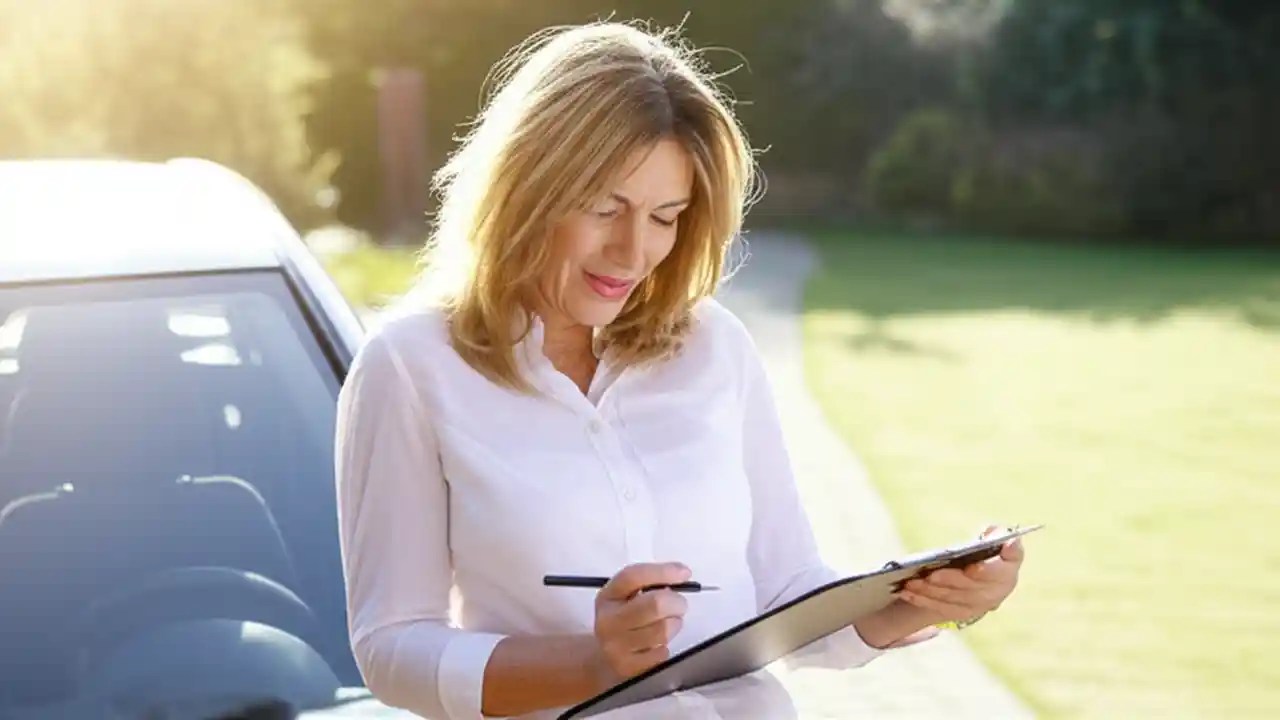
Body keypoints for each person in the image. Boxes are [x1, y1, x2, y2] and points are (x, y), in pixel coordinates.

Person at [334, 21, 1026, 720]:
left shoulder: (715, 348)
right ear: (525, 189)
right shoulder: (411, 365)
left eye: (666, 216)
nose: (634, 252)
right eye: (607, 209)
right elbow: (392, 649)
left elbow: (787, 591)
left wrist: (923, 600)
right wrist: (593, 666)